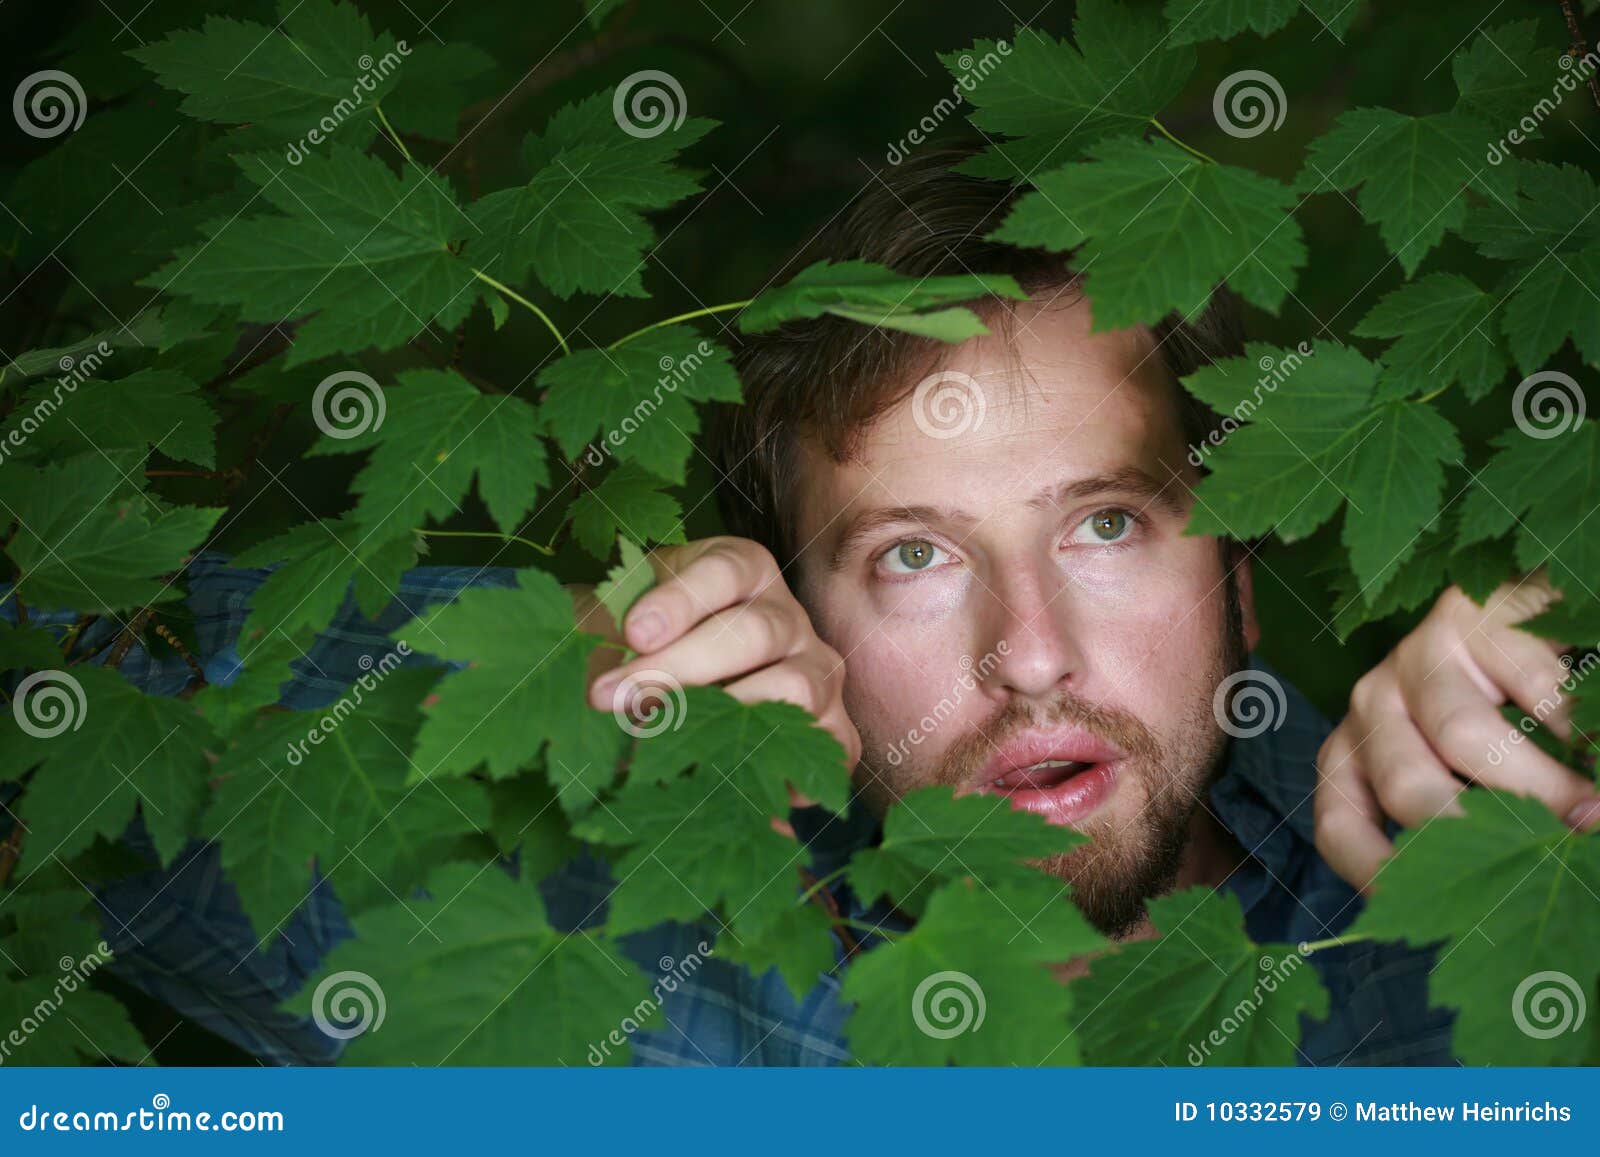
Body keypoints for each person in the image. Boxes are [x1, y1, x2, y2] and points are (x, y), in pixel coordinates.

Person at [7, 152, 1593, 1066]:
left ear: (1237, 573)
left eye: (1105, 524)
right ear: (802, 610)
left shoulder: (1465, 938)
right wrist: (567, 675)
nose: (1028, 651)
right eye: (911, 552)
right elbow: (55, 687)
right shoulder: (620, 911)